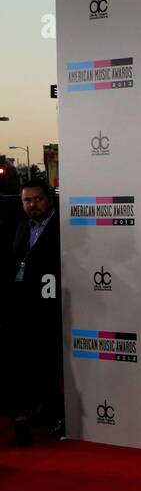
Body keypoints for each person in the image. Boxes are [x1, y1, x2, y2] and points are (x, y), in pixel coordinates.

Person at [5, 179, 62, 445]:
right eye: (27, 200)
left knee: (50, 362)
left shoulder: (61, 228)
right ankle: (34, 410)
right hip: (22, 306)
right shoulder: (20, 229)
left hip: (51, 306)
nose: (32, 205)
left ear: (48, 199)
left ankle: (55, 412)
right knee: (26, 362)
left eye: (37, 199)